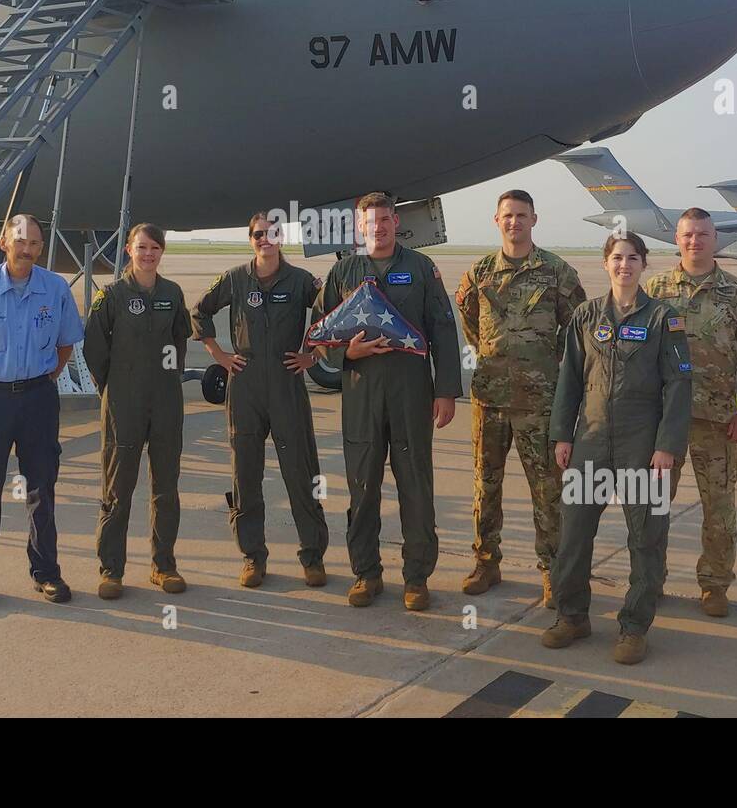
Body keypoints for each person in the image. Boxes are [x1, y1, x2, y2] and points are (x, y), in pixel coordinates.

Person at [542, 232, 691, 664]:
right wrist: (562, 435)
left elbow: (679, 386)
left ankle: (634, 627)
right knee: (573, 535)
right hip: (589, 441)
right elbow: (569, 379)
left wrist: (667, 447)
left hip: (642, 446)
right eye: (616, 258)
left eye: (632, 258)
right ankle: (572, 617)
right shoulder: (586, 316)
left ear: (644, 265)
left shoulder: (665, 318)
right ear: (606, 264)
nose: (624, 265)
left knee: (646, 538)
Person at [315, 193, 461, 611]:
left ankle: (416, 578)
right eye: (369, 222)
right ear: (359, 227)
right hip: (361, 393)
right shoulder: (343, 271)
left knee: (416, 486)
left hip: (410, 393)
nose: (376, 228)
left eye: (383, 220)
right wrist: (347, 355)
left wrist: (445, 390)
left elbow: (443, 328)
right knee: (362, 488)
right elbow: (320, 333)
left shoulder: (420, 269)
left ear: (396, 222)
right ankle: (367, 573)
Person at [455, 189, 585, 605]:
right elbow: (471, 325)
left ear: (534, 219)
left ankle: (552, 570)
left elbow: (577, 330)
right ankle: (486, 562)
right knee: (485, 485)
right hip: (489, 399)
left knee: (547, 490)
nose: (515, 222)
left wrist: (546, 368)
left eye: (522, 215)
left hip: (539, 403)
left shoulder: (557, 272)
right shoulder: (478, 273)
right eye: (508, 215)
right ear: (497, 221)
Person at [0, 213, 84, 611]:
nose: (28, 249)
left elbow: (65, 345)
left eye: (36, 244)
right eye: (21, 241)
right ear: (5, 242)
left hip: (38, 398)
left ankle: (47, 573)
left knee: (41, 488)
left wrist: (40, 381)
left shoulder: (55, 289)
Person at [645, 207, 737, 617]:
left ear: (715, 238)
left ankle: (715, 585)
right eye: (687, 234)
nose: (694, 241)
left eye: (702, 234)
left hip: (717, 422)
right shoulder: (655, 289)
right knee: (653, 506)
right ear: (677, 239)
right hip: (663, 422)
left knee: (718, 509)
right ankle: (650, 580)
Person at [191, 212, 329, 588]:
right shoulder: (236, 279)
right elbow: (200, 310)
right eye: (257, 234)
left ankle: (312, 555)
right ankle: (253, 556)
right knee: (246, 472)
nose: (264, 240)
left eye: (271, 234)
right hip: (245, 383)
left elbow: (330, 312)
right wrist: (218, 355)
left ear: (281, 237)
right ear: (250, 238)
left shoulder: (300, 280)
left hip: (287, 382)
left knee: (300, 470)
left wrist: (312, 355)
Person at [83, 223, 192, 598]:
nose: (148, 254)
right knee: (118, 487)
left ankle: (164, 566)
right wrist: (112, 387)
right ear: (129, 250)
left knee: (166, 487)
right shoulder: (111, 295)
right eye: (142, 247)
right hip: (123, 404)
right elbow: (94, 349)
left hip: (165, 402)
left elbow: (179, 339)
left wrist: (166, 378)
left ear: (162, 252)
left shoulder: (172, 294)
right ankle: (111, 569)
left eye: (155, 248)